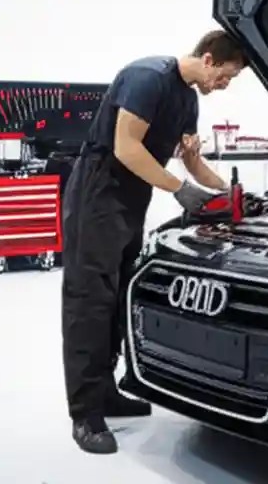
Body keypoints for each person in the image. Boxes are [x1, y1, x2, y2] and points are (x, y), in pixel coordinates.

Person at [60, 30, 246, 454]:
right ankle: (85, 414)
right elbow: (126, 148)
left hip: (132, 197)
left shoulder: (189, 100)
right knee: (89, 300)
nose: (224, 85)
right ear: (210, 59)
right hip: (99, 189)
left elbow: (192, 162)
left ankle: (107, 391)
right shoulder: (148, 77)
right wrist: (179, 189)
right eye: (226, 76)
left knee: (118, 295)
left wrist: (230, 192)